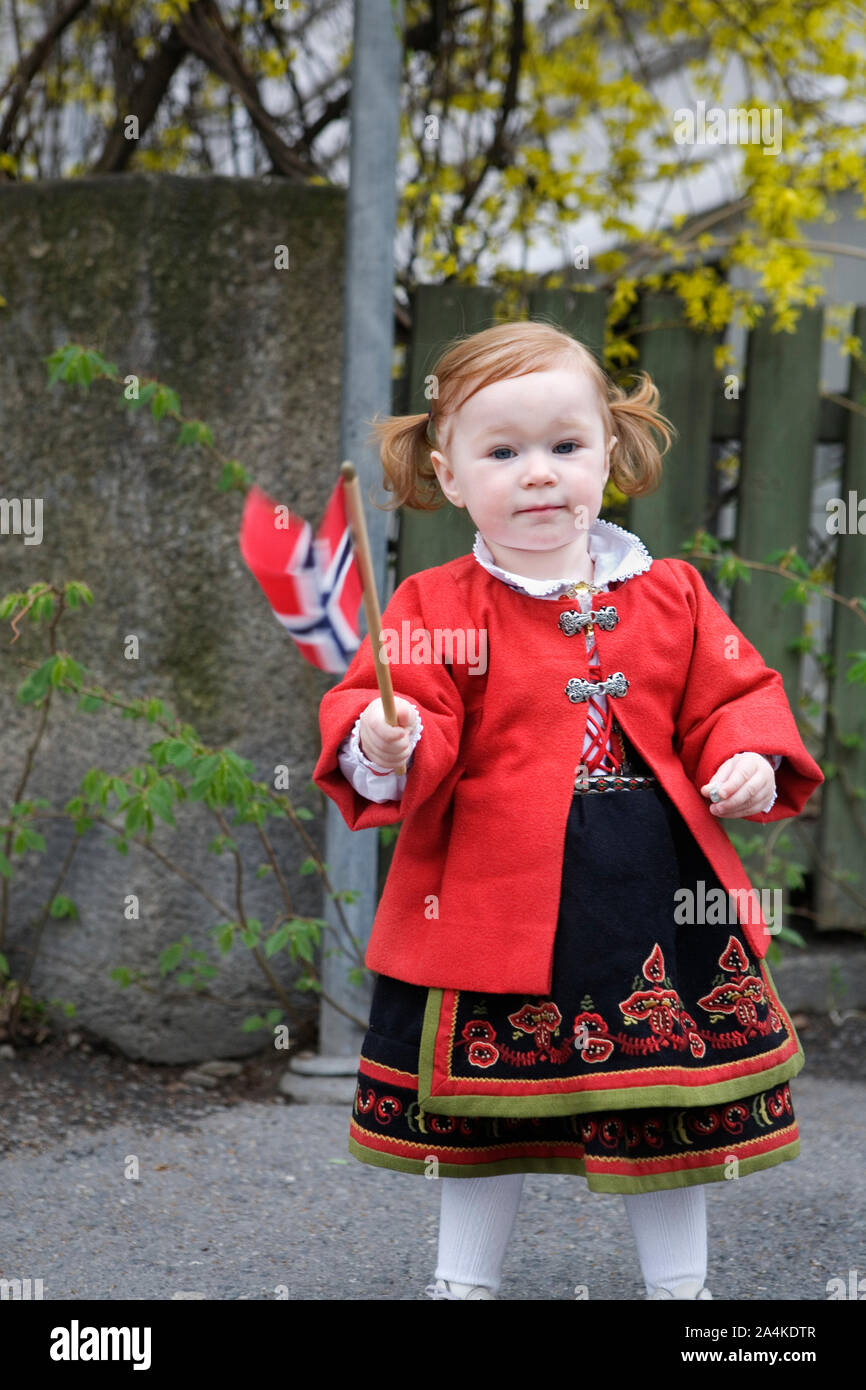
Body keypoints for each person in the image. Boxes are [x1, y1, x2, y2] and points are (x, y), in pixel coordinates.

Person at [311, 319, 824, 1301]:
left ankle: (681, 1291)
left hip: (652, 889)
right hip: (487, 896)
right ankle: (461, 1284)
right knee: (482, 1115)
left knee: (665, 1101)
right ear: (448, 474)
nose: (537, 473)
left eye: (563, 445)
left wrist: (748, 756)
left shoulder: (668, 593)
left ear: (610, 453)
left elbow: (728, 696)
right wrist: (384, 742)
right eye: (501, 452)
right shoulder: (432, 601)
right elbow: (404, 702)